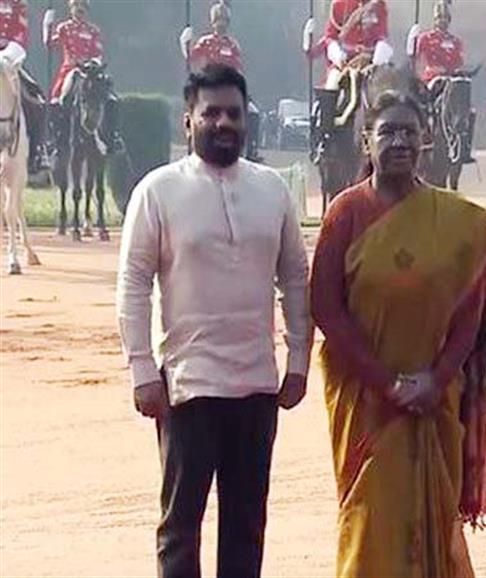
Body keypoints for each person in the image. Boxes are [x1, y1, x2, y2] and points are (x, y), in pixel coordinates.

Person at [310, 69, 486, 577]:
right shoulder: (346, 213)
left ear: (426, 139)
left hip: (433, 398)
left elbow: (471, 307)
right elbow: (325, 308)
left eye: (409, 131)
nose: (399, 141)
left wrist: (436, 379)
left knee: (432, 518)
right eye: (387, 131)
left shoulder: (454, 219)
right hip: (365, 400)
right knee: (369, 518)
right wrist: (385, 383)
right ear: (366, 141)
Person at [116, 64, 312, 578]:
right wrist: (140, 370)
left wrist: (297, 361)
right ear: (188, 121)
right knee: (181, 525)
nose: (224, 122)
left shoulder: (272, 190)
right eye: (211, 113)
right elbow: (133, 284)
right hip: (186, 387)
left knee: (247, 524)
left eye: (234, 113)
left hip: (256, 386)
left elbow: (295, 277)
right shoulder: (157, 192)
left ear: (247, 120)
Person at [180, 2, 261, 161]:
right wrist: (186, 43)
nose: (221, 24)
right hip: (208, 89)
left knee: (253, 113)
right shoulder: (206, 42)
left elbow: (238, 70)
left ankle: (251, 150)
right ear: (213, 22)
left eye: (224, 20)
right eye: (218, 20)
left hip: (230, 89)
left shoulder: (232, 45)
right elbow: (192, 60)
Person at [44, 0, 122, 153]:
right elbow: (49, 44)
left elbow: (98, 52)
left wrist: (93, 64)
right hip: (70, 68)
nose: (80, 9)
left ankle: (112, 136)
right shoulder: (64, 28)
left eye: (82, 7)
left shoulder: (93, 30)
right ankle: (55, 138)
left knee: (111, 98)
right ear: (71, 9)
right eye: (76, 6)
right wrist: (47, 26)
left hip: (90, 69)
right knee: (56, 100)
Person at [412, 0, 475, 163]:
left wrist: (456, 72)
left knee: (469, 109)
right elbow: (418, 59)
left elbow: (458, 62)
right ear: (435, 19)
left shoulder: (456, 42)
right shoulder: (425, 38)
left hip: (451, 79)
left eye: (445, 17)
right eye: (440, 17)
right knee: (428, 105)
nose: (442, 20)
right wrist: (412, 41)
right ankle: (425, 134)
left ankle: (465, 146)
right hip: (433, 78)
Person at [0, 0, 48, 173]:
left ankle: (37, 151)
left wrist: (9, 54)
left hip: (9, 60)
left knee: (37, 101)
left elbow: (21, 32)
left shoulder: (19, 5)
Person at [304, 0, 392, 90]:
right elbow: (330, 37)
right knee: (332, 86)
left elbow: (382, 34)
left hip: (370, 61)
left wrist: (380, 51)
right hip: (345, 63)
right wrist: (338, 55)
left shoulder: (378, 5)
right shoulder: (339, 4)